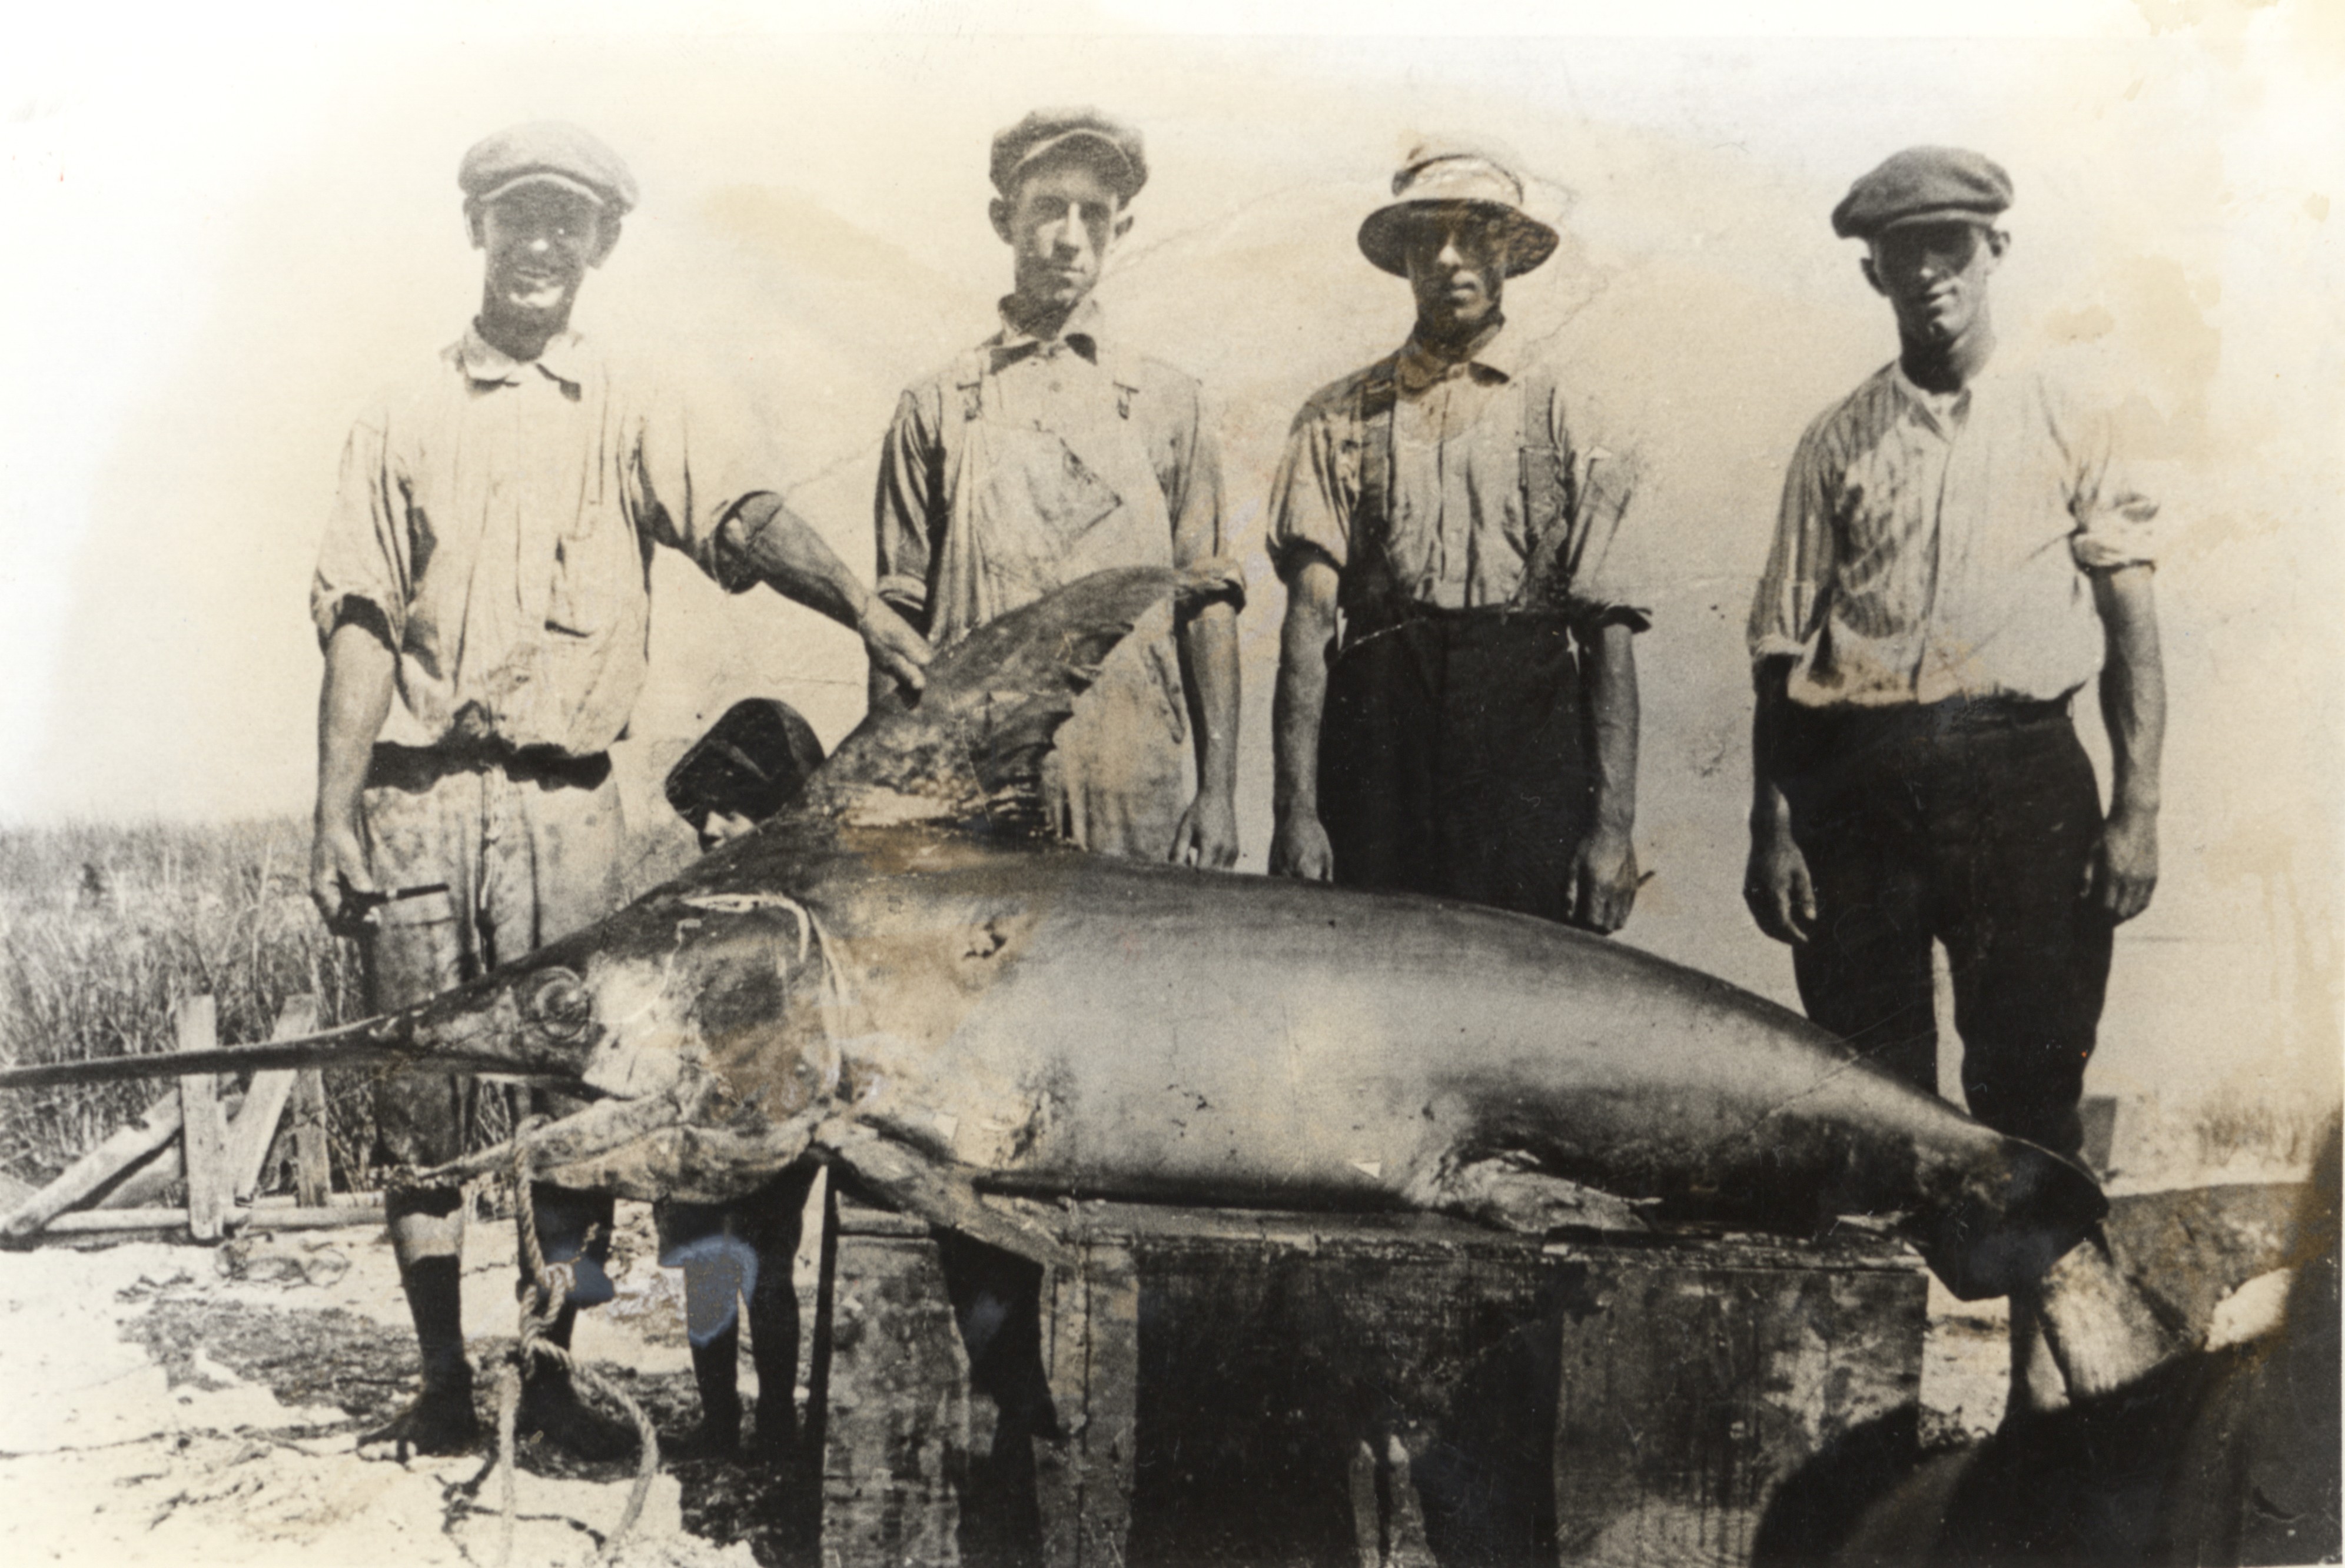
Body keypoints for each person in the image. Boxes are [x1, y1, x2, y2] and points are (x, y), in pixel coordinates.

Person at [307, 122, 931, 1460]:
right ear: (477, 229)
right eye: (516, 218)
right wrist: (332, 810)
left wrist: (863, 613)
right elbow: (358, 620)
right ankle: (438, 1383)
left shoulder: (639, 403)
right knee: (418, 1101)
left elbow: (744, 521)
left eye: (566, 224)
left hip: (569, 807)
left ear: (600, 246)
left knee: (572, 1118)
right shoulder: (398, 414)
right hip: (417, 801)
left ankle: (540, 1377)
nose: (539, 244)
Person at [1742, 148, 2165, 1410]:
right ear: (1873, 268)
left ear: (1994, 257)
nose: (1930, 275)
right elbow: (1778, 649)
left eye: (1953, 248)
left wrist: (2139, 805)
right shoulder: (1836, 439)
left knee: (2030, 1086)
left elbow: (2131, 627)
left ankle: (2053, 1414)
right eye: (1905, 254)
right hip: (1854, 780)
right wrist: (1774, 829)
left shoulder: (2070, 411)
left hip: (2021, 775)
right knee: (1869, 1098)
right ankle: (1879, 1432)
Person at [1267, 145, 1646, 931]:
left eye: (1473, 235)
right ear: (1403, 259)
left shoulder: (1567, 410)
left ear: (1507, 248)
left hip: (1525, 742)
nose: (1448, 259)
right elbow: (1307, 629)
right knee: (1371, 983)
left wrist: (1611, 829)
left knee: (1526, 991)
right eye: (1426, 240)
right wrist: (1297, 814)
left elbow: (1607, 632)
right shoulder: (1338, 416)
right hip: (1375, 744)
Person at [873, 107, 1241, 866]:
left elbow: (1207, 606)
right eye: (1047, 209)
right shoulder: (939, 403)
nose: (1071, 237)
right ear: (1003, 219)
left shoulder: (1168, 401)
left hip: (1133, 769)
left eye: (1094, 215)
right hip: (971, 774)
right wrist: (883, 804)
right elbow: (897, 619)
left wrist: (1219, 794)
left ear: (1122, 229)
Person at [655, 699, 827, 1461]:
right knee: (704, 1262)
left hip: (777, 1110)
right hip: (701, 1108)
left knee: (767, 1264)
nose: (711, 828)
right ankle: (721, 1424)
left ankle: (780, 1425)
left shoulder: (804, 914)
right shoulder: (694, 905)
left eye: (733, 811)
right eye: (704, 811)